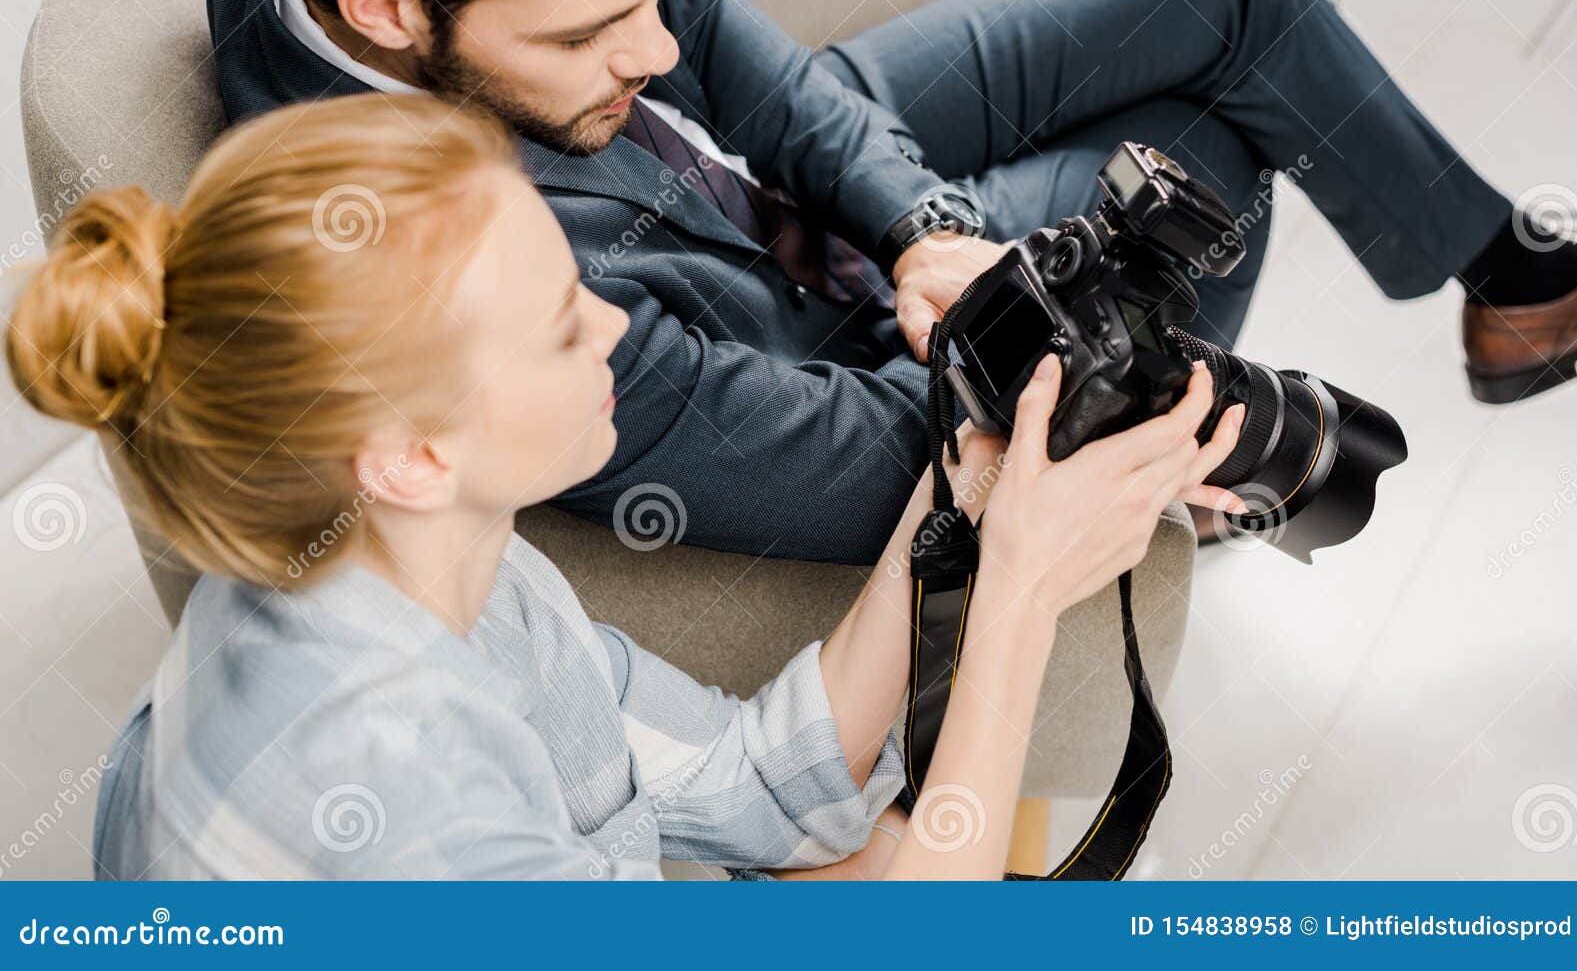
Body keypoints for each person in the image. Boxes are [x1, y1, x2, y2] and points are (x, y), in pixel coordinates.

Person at [208, 0, 1577, 566]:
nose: (659, 48)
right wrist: (986, 311)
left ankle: (1519, 284)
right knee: (1202, 161)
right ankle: (1188, 470)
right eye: (586, 31)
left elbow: (722, 47)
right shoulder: (483, 305)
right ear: (386, 10)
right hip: (816, 337)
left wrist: (927, 222)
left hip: (778, 196)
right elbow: (877, 468)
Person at [5, 94, 1244, 878]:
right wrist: (1020, 594)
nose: (611, 328)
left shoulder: (430, 571)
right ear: (412, 453)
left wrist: (959, 487)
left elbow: (742, 782)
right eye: (556, 328)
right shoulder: (400, 808)